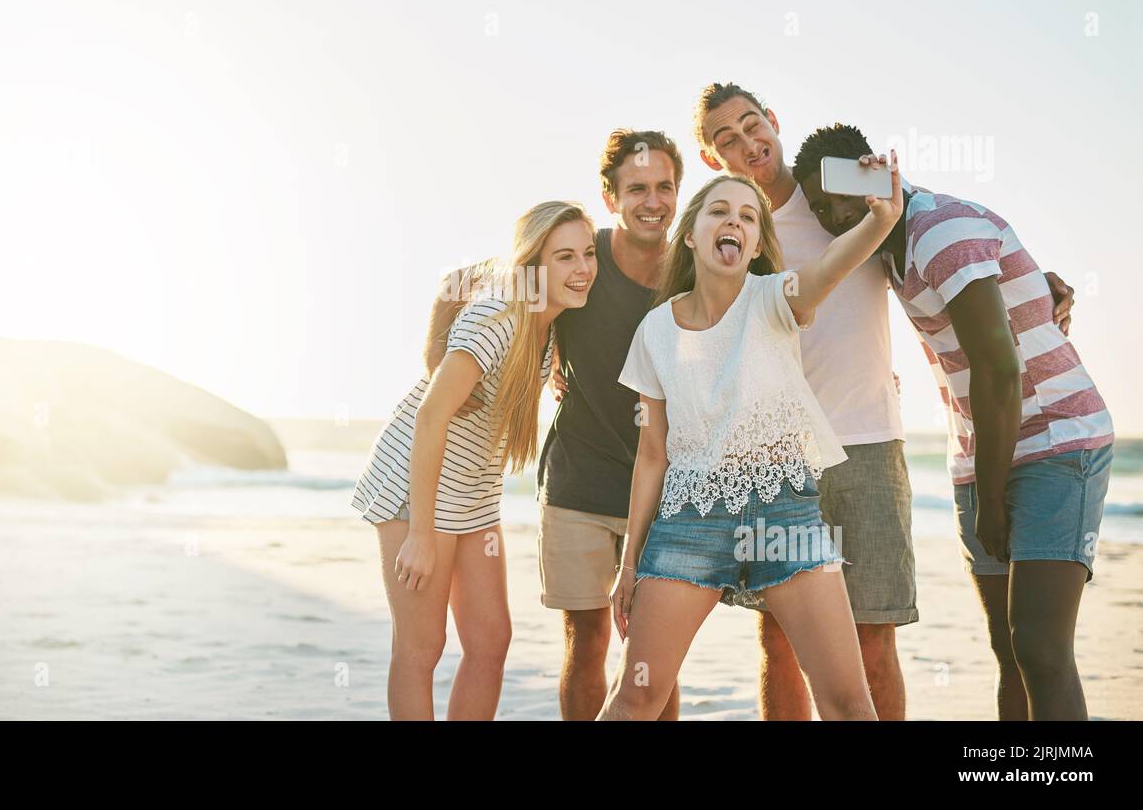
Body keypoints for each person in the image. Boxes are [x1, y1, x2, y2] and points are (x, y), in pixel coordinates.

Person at [691, 81, 1076, 720]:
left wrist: (1036, 282)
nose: (745, 143)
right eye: (724, 139)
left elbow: (951, 228)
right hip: (774, 457)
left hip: (868, 444)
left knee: (875, 640)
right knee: (781, 642)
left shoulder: (846, 191)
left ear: (774, 121)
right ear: (712, 159)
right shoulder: (735, 226)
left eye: (751, 124)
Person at [792, 122, 1114, 720]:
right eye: (818, 206)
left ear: (872, 167)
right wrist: (1037, 284)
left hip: (1056, 440)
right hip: (979, 452)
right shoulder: (888, 240)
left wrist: (990, 500)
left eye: (839, 192)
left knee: (1041, 649)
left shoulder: (939, 229)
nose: (834, 213)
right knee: (1009, 650)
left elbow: (999, 370)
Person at [599, 168, 901, 720]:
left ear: (757, 243)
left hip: (785, 514)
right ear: (690, 234)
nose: (733, 221)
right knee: (637, 695)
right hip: (689, 519)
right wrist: (628, 566)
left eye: (747, 216)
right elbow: (651, 455)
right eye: (719, 211)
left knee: (848, 702)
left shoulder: (774, 297)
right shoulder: (655, 330)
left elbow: (829, 269)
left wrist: (881, 220)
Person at [422, 129, 688, 720]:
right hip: (578, 484)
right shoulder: (575, 253)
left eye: (664, 187)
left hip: (667, 492)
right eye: (637, 188)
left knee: (654, 655)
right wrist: (441, 363)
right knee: (587, 642)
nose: (652, 201)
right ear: (610, 195)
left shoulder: (690, 270)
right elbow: (454, 285)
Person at [351, 201, 597, 719]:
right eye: (566, 257)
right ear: (533, 266)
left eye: (589, 254)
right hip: (416, 487)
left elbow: (454, 279)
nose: (583, 270)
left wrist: (547, 372)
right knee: (422, 647)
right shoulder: (496, 320)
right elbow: (429, 419)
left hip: (474, 492)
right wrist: (420, 532)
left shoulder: (547, 326)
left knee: (491, 643)